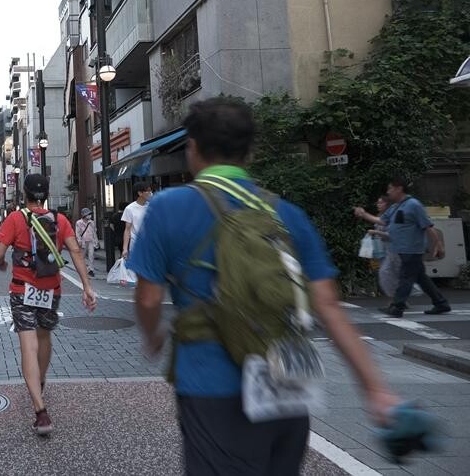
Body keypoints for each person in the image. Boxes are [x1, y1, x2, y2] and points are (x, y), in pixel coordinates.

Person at [130, 98, 399, 474]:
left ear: (192, 147)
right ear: (250, 152)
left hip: (210, 382)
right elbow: (328, 307)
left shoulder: (167, 207)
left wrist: (152, 335)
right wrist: (376, 389)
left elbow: (147, 297)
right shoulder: (287, 214)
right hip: (286, 383)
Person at [0, 174, 97, 435]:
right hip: (51, 290)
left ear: (24, 194)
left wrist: (1, 263)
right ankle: (40, 380)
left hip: (22, 290)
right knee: (45, 337)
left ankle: (40, 412)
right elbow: (75, 251)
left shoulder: (16, 219)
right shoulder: (60, 220)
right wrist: (86, 286)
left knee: (28, 346)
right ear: (47, 193)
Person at [355, 179, 450, 317]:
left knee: (406, 277)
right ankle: (441, 303)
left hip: (412, 249)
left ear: (399, 189)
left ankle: (397, 306)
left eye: (390, 188)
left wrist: (438, 244)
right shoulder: (395, 207)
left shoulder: (414, 205)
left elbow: (428, 226)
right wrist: (364, 214)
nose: (388, 192)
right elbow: (382, 220)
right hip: (400, 249)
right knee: (421, 278)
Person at [121, 181, 152, 261]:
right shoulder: (130, 209)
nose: (150, 193)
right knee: (137, 272)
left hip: (150, 245)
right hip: (136, 245)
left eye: (150, 190)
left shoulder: (151, 207)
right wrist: (125, 249)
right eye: (148, 191)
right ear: (140, 193)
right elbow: (127, 230)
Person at [75, 208, 99, 277]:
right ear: (84, 215)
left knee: (91, 255)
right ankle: (82, 269)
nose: (89, 215)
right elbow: (78, 233)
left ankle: (91, 269)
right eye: (88, 214)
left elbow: (94, 232)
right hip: (83, 241)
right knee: (82, 256)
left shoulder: (91, 222)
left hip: (91, 241)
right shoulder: (79, 223)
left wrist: (96, 241)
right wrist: (79, 240)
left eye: (89, 214)